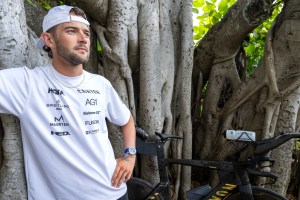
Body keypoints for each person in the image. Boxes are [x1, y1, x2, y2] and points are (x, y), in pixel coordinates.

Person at [0, 5, 136, 200]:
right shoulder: (27, 84)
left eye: (86, 33)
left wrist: (130, 156)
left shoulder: (100, 84)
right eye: (71, 31)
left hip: (113, 192)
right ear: (49, 39)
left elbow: (126, 119)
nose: (83, 39)